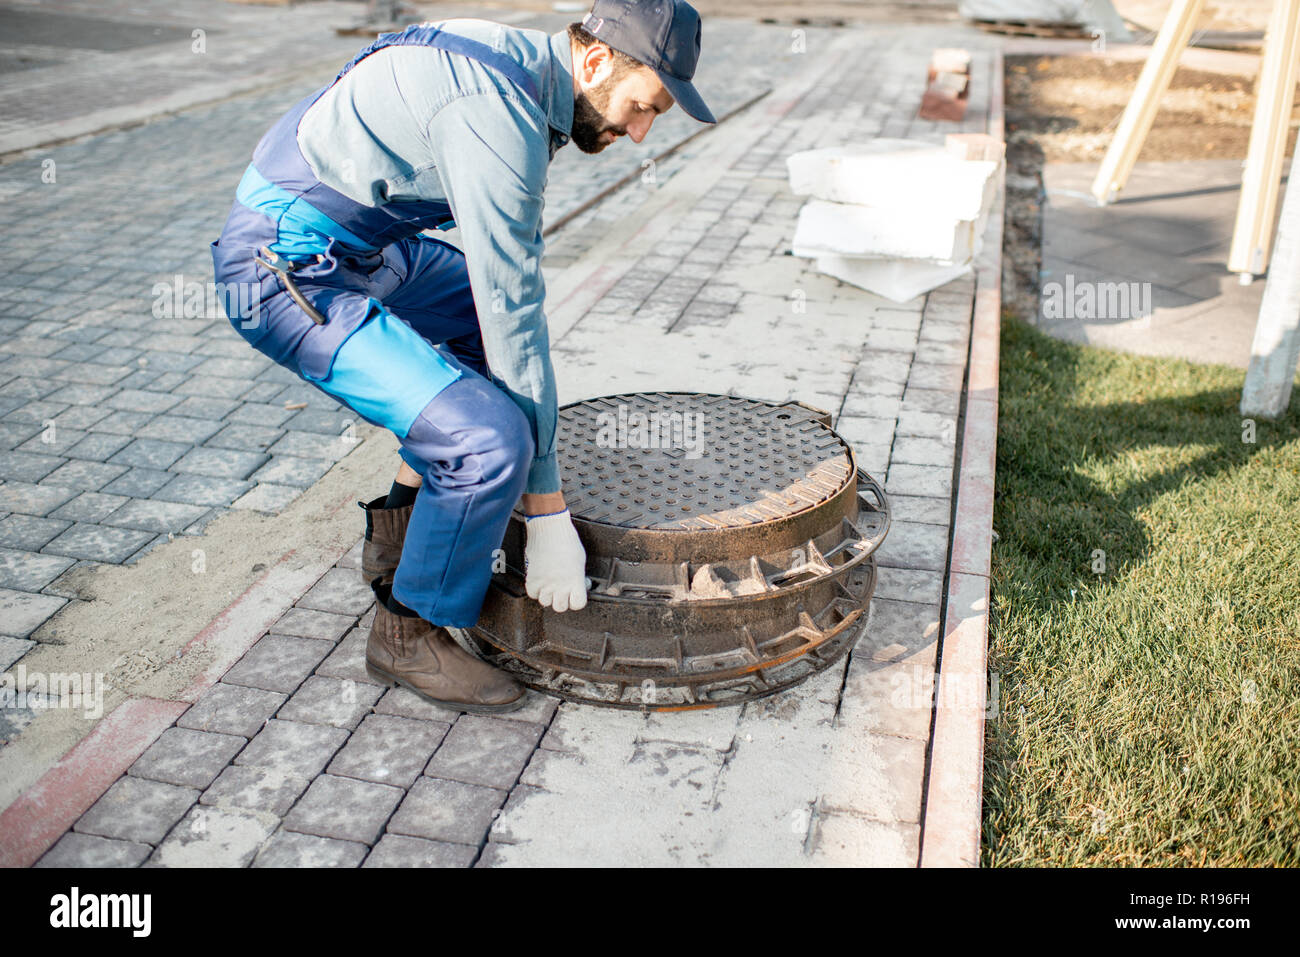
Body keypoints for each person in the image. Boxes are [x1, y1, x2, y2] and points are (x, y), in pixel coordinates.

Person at [210, 1, 715, 712]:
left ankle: (399, 530)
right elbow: (516, 314)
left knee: (474, 340)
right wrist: (547, 513)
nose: (639, 132)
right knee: (489, 441)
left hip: (364, 247)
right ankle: (407, 633)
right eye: (643, 106)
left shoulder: (515, 64)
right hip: (283, 269)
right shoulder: (499, 117)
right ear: (596, 62)